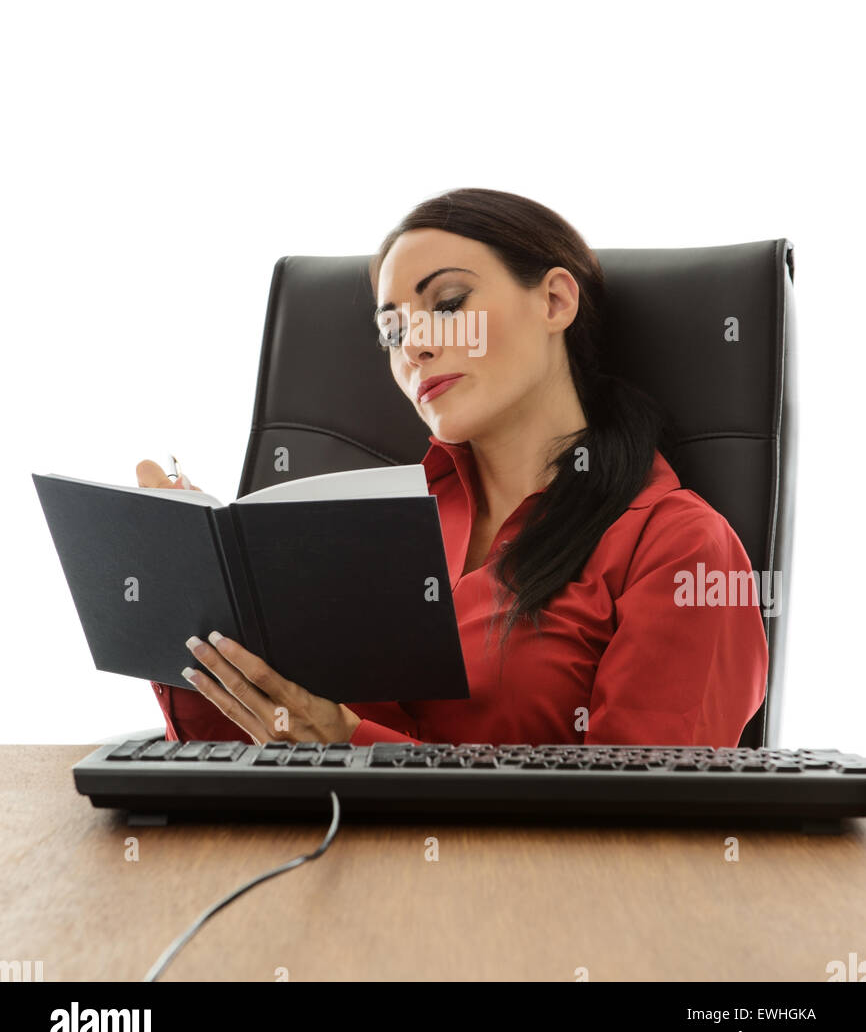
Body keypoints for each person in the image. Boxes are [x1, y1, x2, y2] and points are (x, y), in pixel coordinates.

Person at [144, 186, 768, 749]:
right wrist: (196, 599)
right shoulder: (367, 534)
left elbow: (639, 823)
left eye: (447, 303)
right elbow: (241, 750)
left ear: (554, 300)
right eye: (392, 331)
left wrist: (352, 747)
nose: (414, 344)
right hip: (321, 870)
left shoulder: (682, 549)